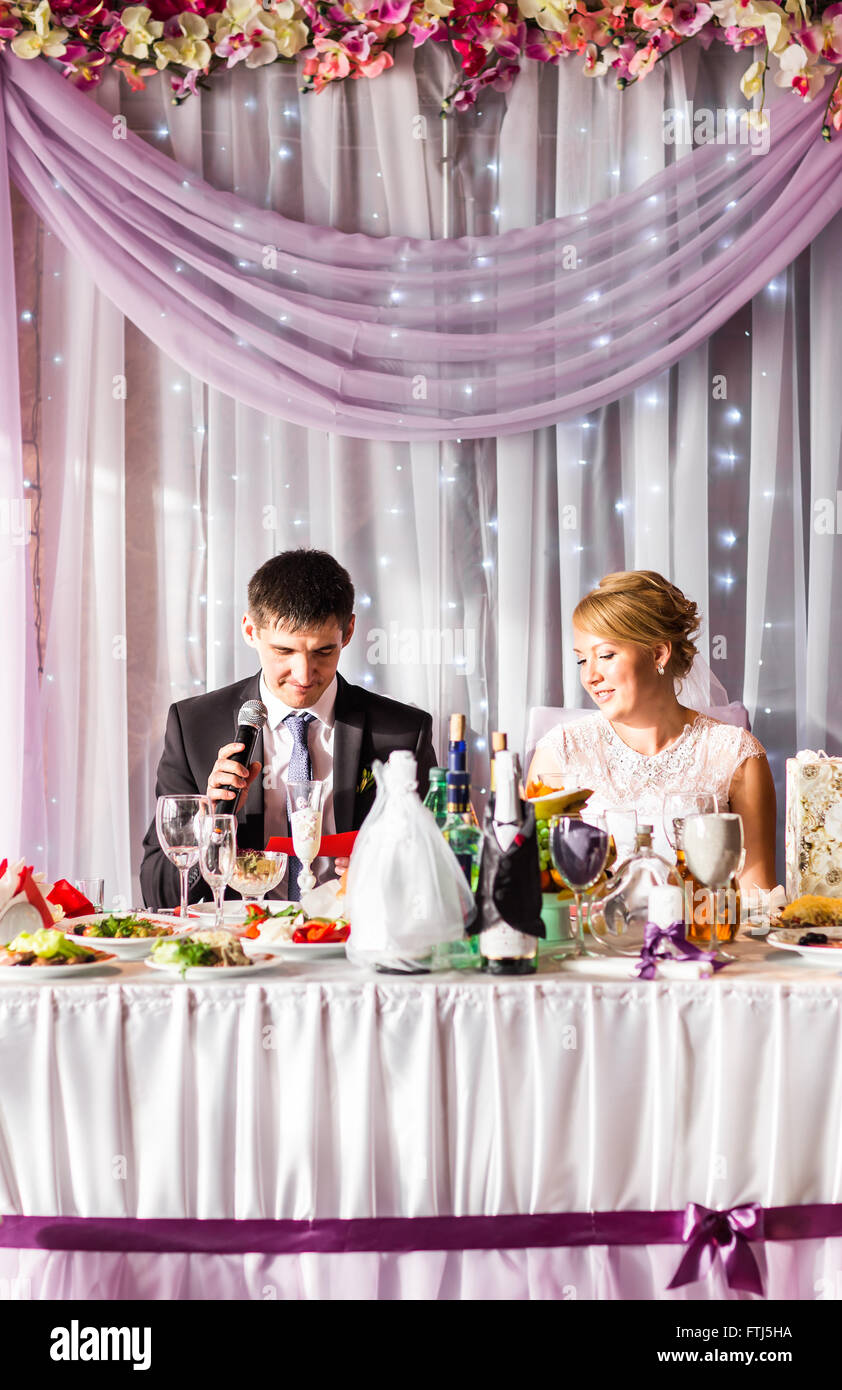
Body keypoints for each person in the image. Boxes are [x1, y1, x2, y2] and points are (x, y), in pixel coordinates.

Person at [140, 549, 438, 908]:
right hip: (241, 951)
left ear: (348, 632)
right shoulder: (194, 726)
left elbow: (437, 876)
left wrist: (386, 874)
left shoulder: (405, 732)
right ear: (251, 630)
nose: (304, 675)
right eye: (284, 651)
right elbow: (157, 893)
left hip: (351, 946)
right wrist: (210, 825)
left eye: (323, 653)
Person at [526, 570, 777, 893]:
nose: (590, 676)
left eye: (605, 655)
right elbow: (538, 892)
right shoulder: (560, 752)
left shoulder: (736, 755)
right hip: (592, 939)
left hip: (703, 940)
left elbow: (758, 897)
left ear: (659, 653)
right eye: (581, 661)